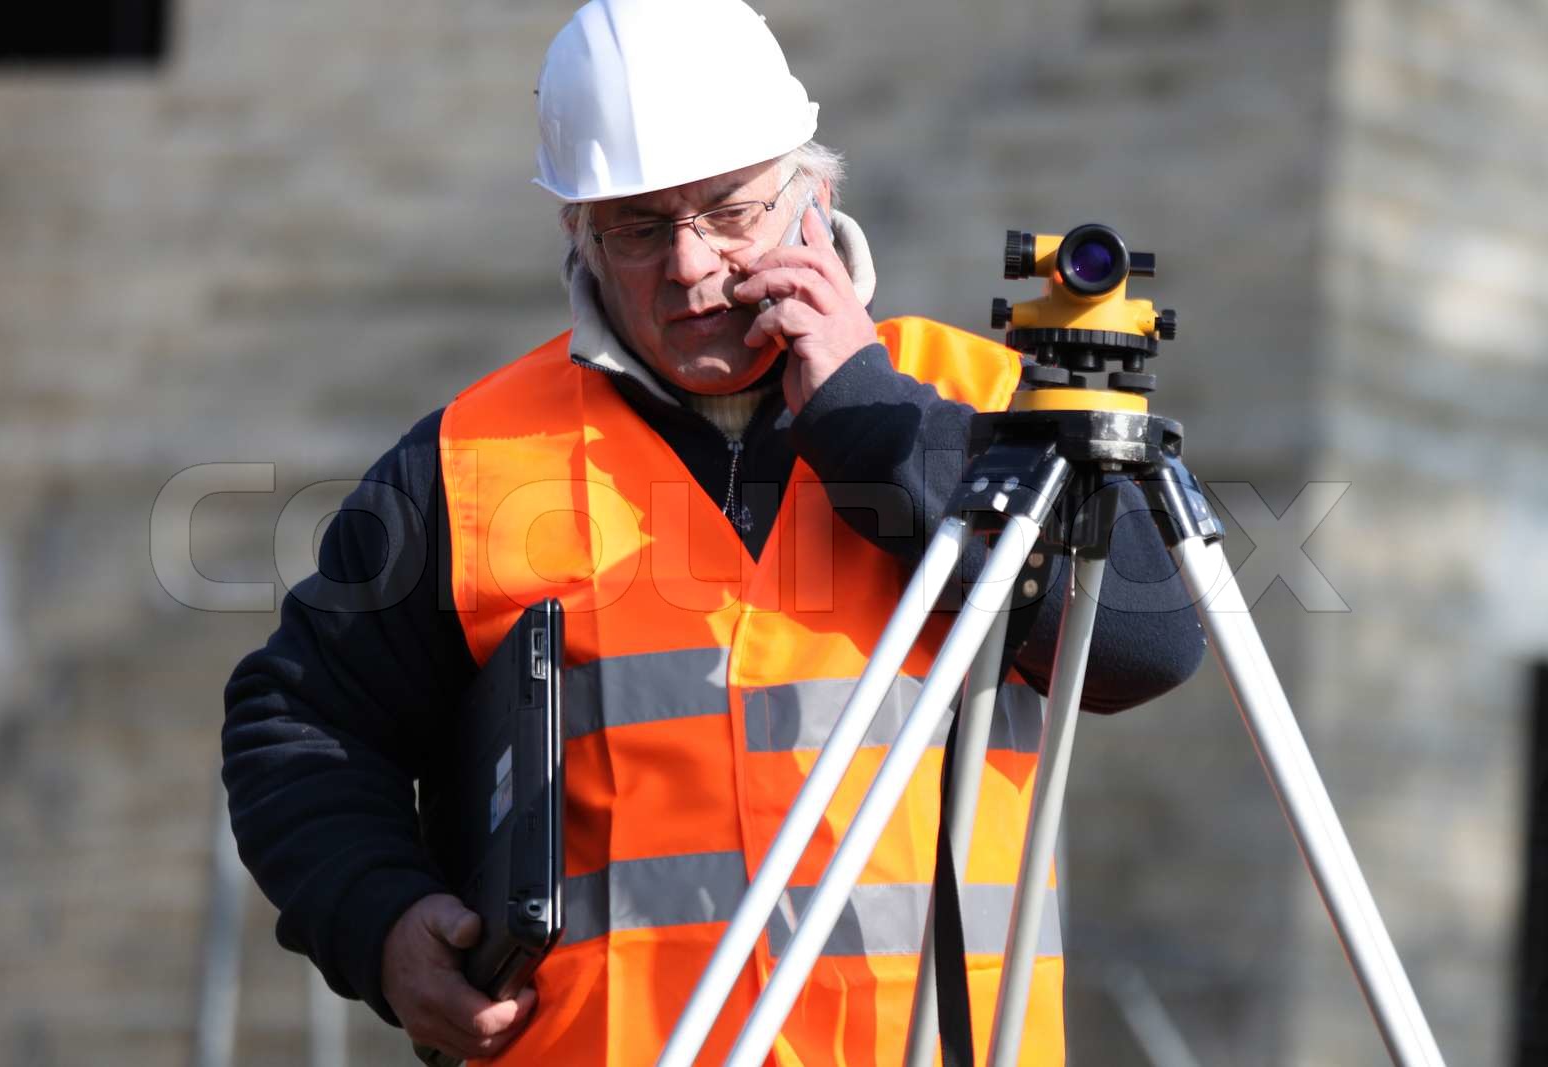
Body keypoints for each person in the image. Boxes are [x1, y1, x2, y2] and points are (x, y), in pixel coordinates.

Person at [221, 0, 1206, 1063]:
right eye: (639, 227)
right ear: (579, 233)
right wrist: (379, 919)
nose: (689, 268)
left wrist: (873, 422)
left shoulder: (983, 401)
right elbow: (299, 726)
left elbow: (1146, 645)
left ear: (813, 194)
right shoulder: (465, 458)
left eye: (728, 212)